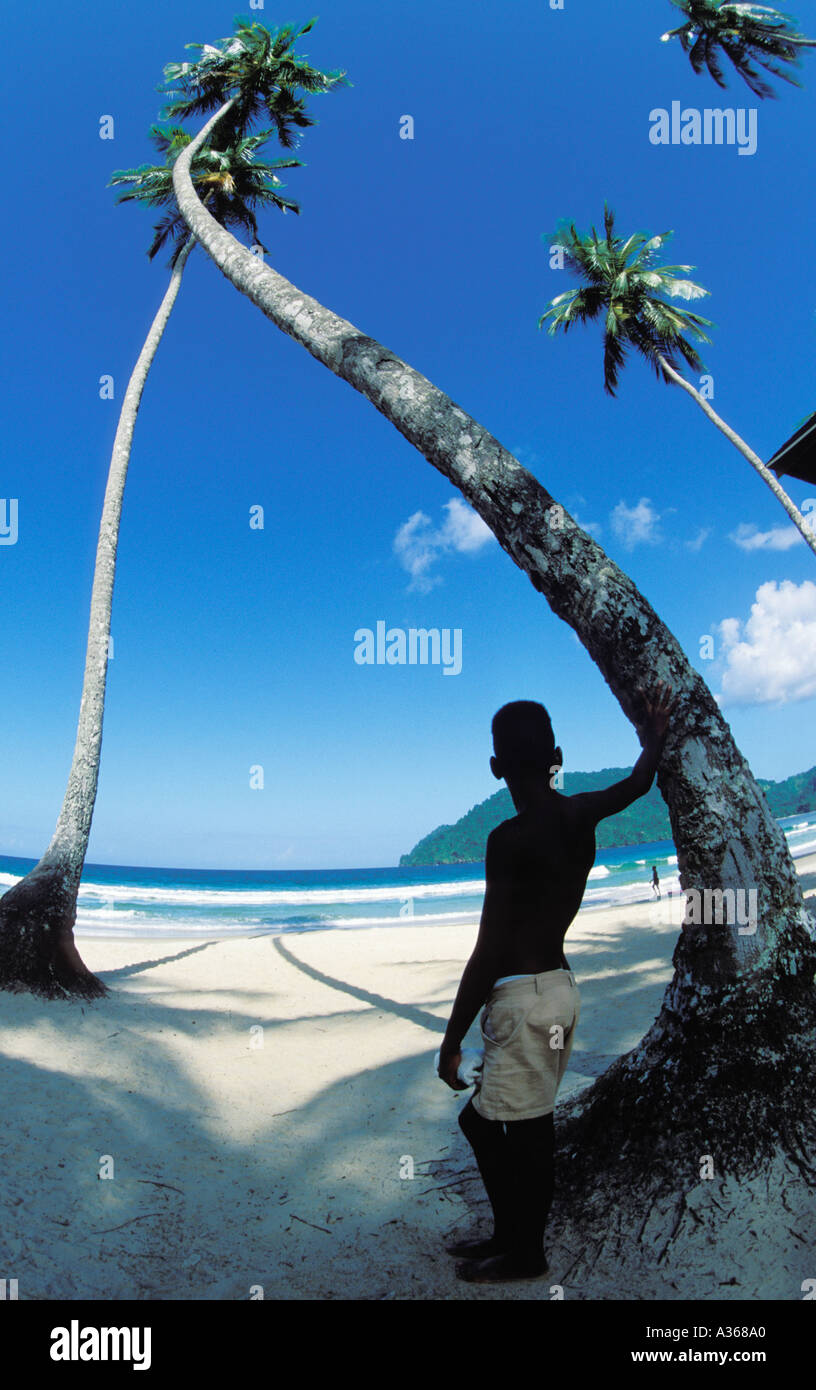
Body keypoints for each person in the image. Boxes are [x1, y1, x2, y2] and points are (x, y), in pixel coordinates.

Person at [437, 680, 675, 1284]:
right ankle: (512, 1237)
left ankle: (524, 1250)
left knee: (502, 1127)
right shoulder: (580, 812)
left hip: (523, 999)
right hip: (561, 992)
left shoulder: (506, 840)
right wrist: (651, 737)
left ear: (496, 767)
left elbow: (489, 949)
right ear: (557, 759)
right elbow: (638, 782)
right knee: (522, 1124)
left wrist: (451, 1038)